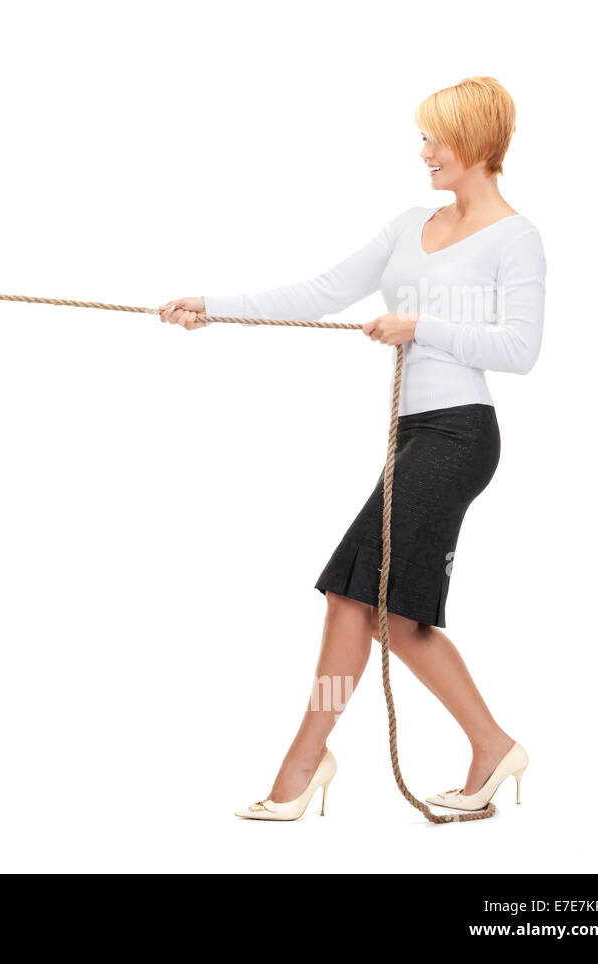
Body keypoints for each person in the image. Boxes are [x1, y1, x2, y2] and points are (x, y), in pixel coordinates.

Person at [158, 76, 542, 820]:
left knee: (351, 594)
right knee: (388, 616)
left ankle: (304, 760)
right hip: (414, 437)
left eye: (435, 137)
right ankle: (491, 746)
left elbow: (522, 349)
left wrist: (418, 326)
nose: (424, 151)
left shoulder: (516, 236)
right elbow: (324, 290)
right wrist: (218, 307)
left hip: (461, 434)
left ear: (475, 142)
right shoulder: (408, 224)